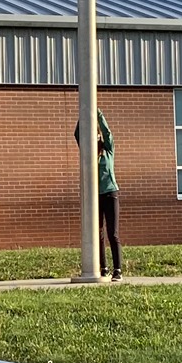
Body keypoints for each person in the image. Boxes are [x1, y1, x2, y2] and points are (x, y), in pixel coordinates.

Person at [74, 108, 121, 279]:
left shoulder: (108, 150)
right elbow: (77, 133)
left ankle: (118, 269)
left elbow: (108, 133)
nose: (95, 137)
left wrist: (97, 114)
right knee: (97, 233)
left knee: (113, 233)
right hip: (95, 196)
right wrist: (83, 114)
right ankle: (104, 267)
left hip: (110, 193)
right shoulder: (88, 153)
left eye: (96, 134)